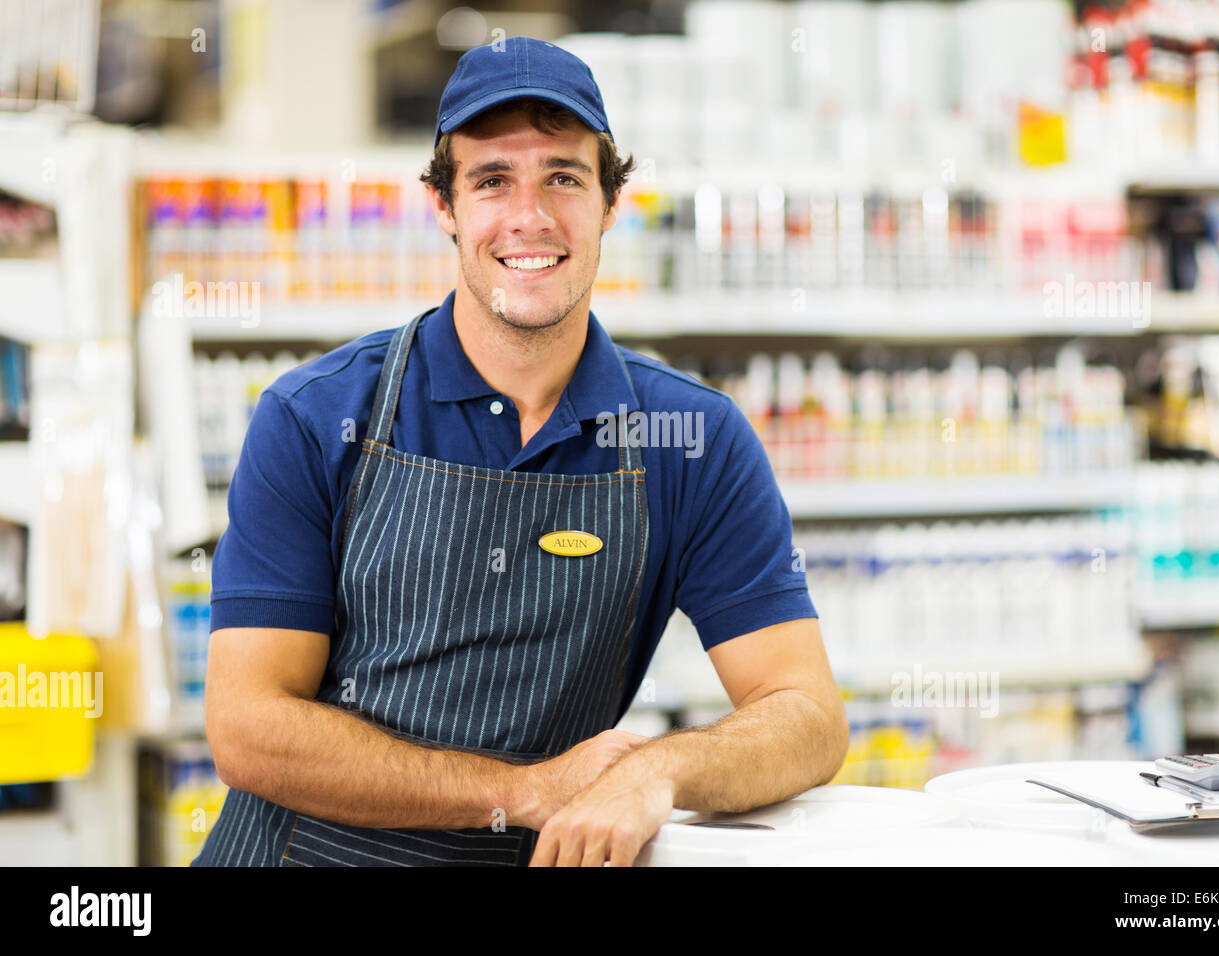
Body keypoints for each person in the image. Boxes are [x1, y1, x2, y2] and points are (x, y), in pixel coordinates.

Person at [192, 35, 847, 868]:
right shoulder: (318, 416)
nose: (530, 217)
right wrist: (526, 791)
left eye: (564, 178)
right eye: (492, 179)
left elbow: (808, 714)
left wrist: (662, 770)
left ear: (612, 202)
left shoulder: (691, 441)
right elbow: (249, 731)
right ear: (444, 206)